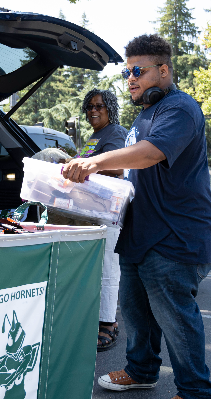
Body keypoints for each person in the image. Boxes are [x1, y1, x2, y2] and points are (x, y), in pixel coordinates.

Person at [61, 34, 211, 399]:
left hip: (176, 235)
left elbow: (151, 154)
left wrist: (95, 164)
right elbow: (131, 167)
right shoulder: (145, 115)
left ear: (163, 70)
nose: (130, 78)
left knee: (175, 316)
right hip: (141, 232)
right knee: (136, 311)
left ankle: (198, 393)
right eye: (127, 72)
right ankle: (141, 370)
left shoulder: (180, 109)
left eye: (139, 71)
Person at [78, 88, 128, 351]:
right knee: (97, 267)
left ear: (110, 109)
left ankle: (108, 323)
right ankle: (97, 318)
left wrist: (84, 166)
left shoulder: (116, 133)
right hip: (92, 212)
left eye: (99, 106)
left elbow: (120, 168)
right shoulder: (96, 137)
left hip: (108, 211)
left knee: (109, 268)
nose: (93, 110)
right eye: (89, 107)